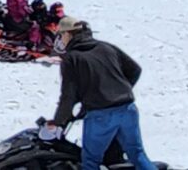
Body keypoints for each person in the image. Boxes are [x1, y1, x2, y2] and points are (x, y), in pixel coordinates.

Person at [45, 15, 155, 170]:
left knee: (90, 161)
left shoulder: (71, 58)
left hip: (101, 115)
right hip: (127, 108)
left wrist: (58, 122)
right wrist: (121, 89)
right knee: (137, 154)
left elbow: (68, 96)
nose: (60, 40)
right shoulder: (106, 47)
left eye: (60, 35)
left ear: (68, 34)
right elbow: (135, 69)